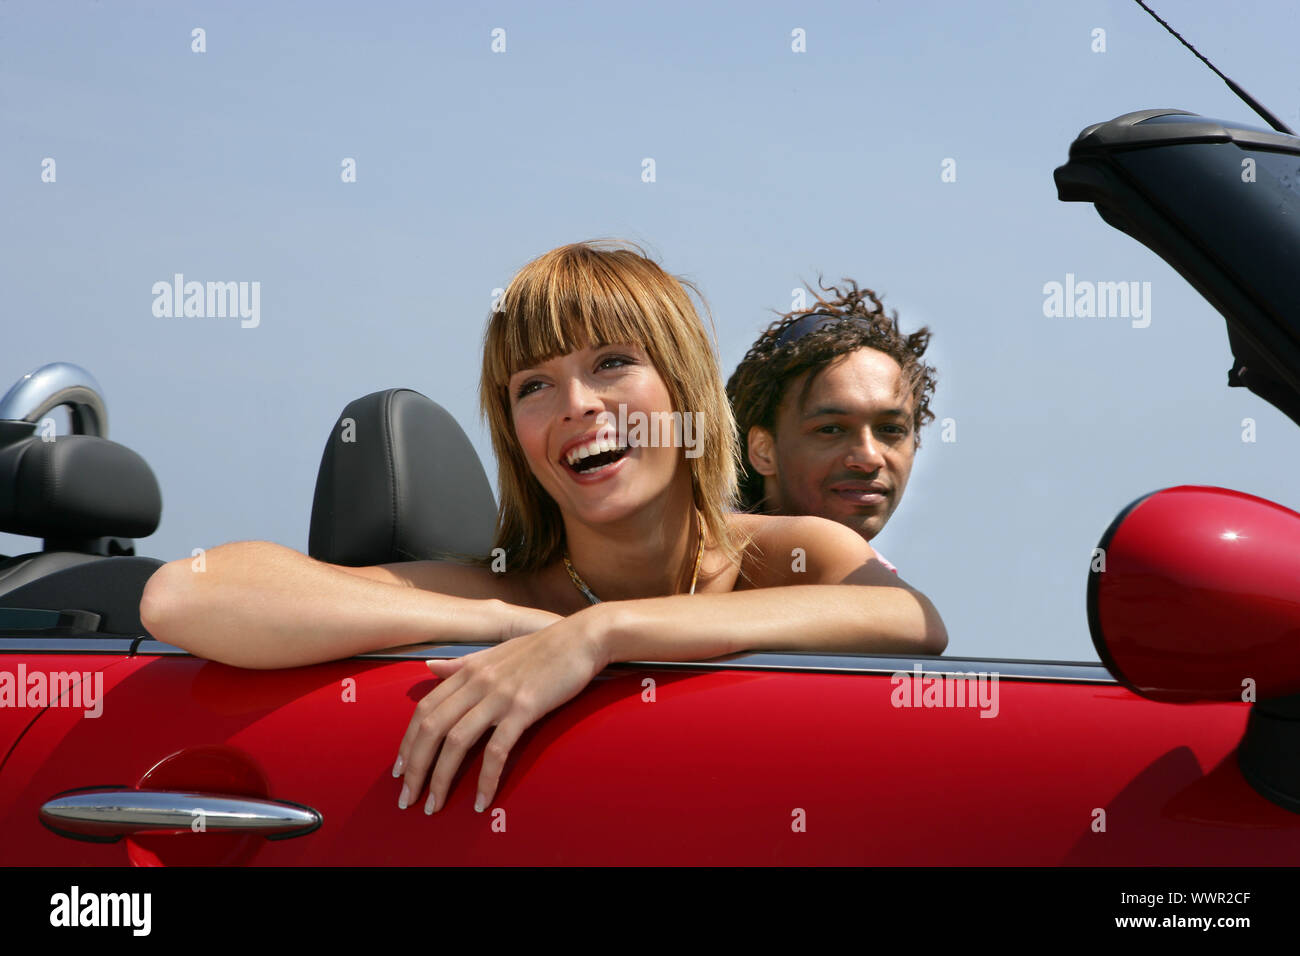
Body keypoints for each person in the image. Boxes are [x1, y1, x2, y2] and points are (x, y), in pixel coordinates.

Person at [139, 241, 947, 817]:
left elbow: (909, 620)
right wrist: (515, 624)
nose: (577, 407)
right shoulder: (501, 586)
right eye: (535, 385)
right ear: (517, 439)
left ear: (688, 394)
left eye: (611, 364)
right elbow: (186, 594)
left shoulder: (788, 552)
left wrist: (598, 636)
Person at [725, 280, 937, 574]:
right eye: (831, 430)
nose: (869, 458)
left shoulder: (873, 585)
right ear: (763, 451)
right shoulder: (686, 562)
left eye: (890, 430)